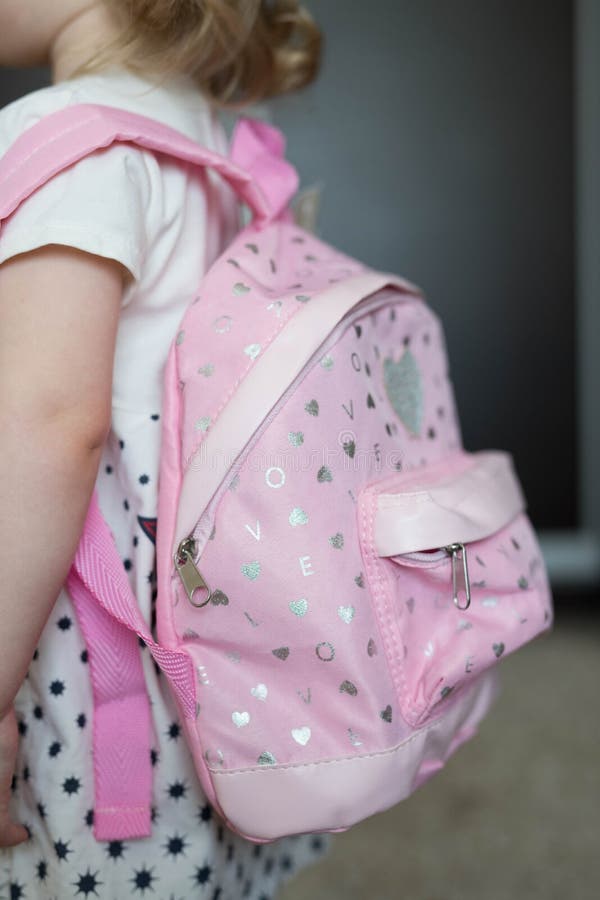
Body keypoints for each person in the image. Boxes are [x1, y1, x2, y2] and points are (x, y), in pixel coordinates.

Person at [0, 1, 328, 896]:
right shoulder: (211, 141)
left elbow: (49, 425)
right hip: (206, 638)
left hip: (85, 656)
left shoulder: (67, 139)